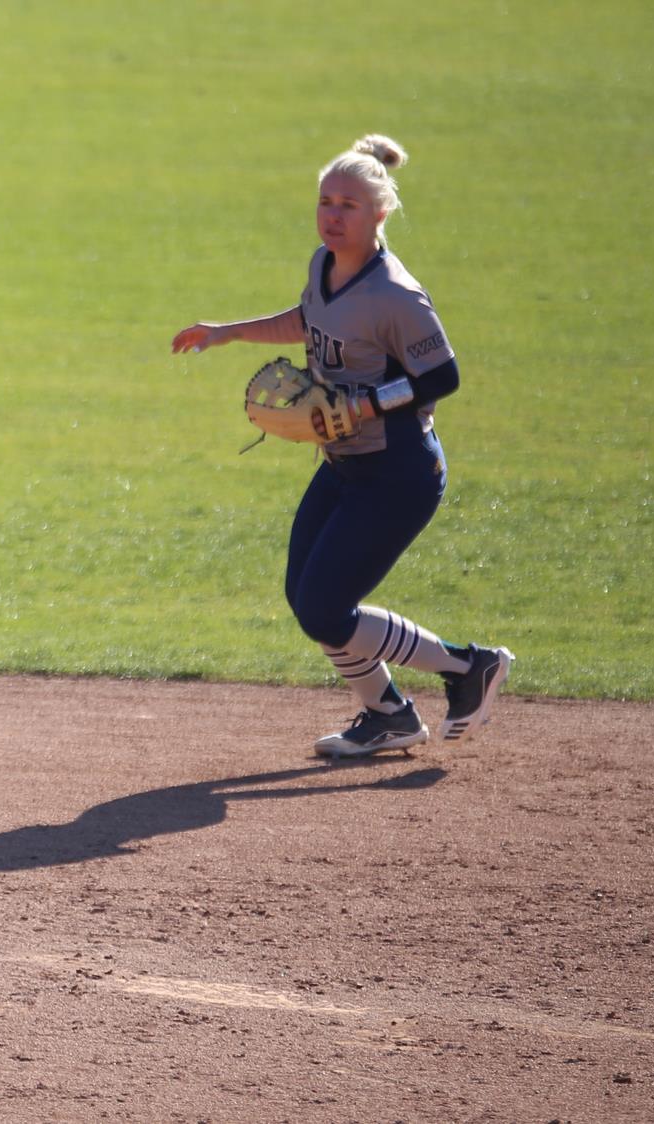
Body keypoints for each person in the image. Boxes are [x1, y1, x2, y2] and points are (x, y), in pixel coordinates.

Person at [170, 134, 513, 758]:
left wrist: (363, 403)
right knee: (307, 596)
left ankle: (468, 668)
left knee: (328, 609)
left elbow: (443, 379)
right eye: (326, 201)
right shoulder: (323, 265)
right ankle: (388, 715)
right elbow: (307, 318)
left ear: (379, 211)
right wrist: (227, 333)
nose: (333, 215)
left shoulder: (396, 296)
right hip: (346, 465)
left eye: (348, 205)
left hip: (399, 471)